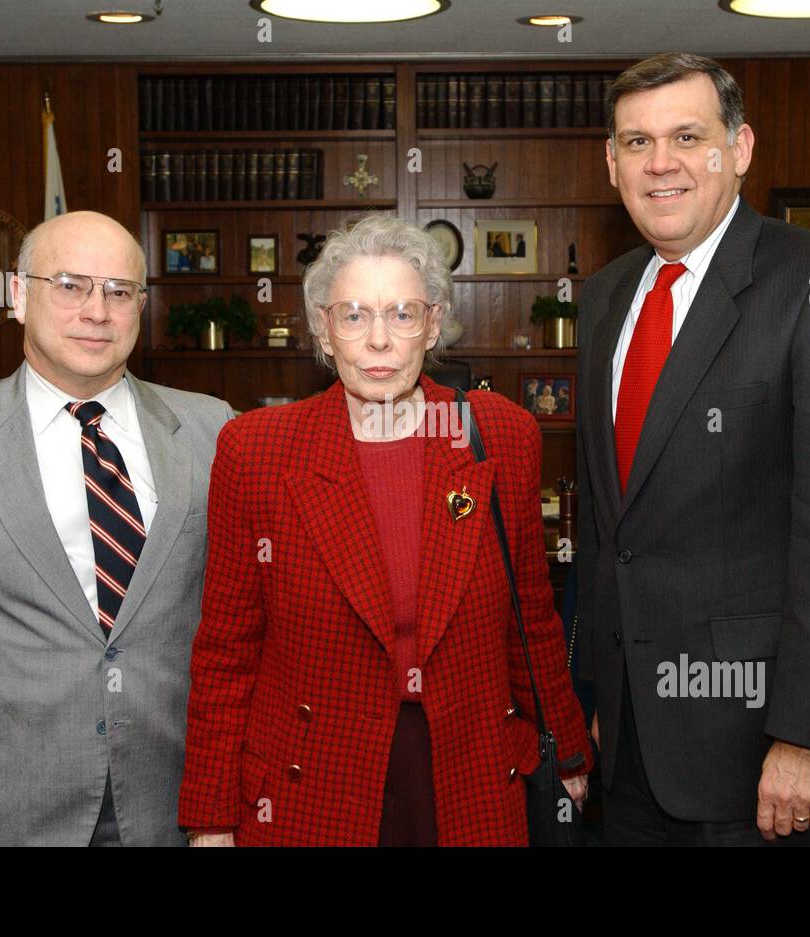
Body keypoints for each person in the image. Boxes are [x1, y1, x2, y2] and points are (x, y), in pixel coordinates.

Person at [573, 53, 810, 846]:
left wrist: (808, 734)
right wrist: (601, 694)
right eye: (637, 141)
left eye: (688, 136)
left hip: (763, 756)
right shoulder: (605, 296)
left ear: (741, 148)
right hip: (629, 746)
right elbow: (611, 525)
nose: (661, 164)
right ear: (611, 160)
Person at [179, 214, 592, 846]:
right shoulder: (257, 450)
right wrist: (210, 819)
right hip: (310, 784)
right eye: (353, 315)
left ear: (433, 325)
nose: (378, 340)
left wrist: (565, 752)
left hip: (471, 774)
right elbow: (225, 651)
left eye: (402, 314)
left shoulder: (499, 434)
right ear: (323, 327)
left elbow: (530, 614)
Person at [0, 210, 232, 845]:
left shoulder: (215, 430)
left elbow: (232, 603)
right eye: (69, 284)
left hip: (169, 777)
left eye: (120, 291)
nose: (97, 311)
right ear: (17, 295)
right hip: (4, 783)